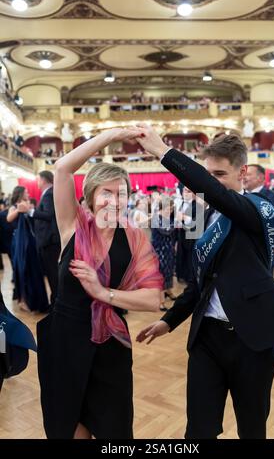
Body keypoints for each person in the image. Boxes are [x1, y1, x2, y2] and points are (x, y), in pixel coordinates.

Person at [134, 126, 274, 439]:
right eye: (207, 174)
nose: (211, 183)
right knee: (198, 429)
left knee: (252, 429)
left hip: (252, 338)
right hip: (207, 339)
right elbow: (201, 283)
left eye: (219, 174)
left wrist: (162, 152)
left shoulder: (255, 210)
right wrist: (169, 321)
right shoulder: (202, 216)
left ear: (244, 172)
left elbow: (219, 195)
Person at [37, 127, 163, 439]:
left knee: (114, 430)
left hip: (110, 346)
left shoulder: (135, 240)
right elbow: (63, 168)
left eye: (122, 193)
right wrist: (112, 135)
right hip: (64, 341)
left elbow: (152, 300)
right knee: (68, 426)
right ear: (91, 195)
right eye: (106, 192)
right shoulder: (72, 225)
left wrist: (101, 292)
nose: (115, 200)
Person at [243, 164, 274, 368]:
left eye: (250, 174)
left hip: (263, 259)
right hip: (243, 258)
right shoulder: (239, 195)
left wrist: (259, 207)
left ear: (261, 178)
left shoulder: (269, 195)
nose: (245, 177)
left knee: (268, 303)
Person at [7, 186, 49, 313]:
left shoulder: (30, 204)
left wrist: (29, 209)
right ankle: (23, 300)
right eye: (26, 192)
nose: (28, 193)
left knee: (35, 271)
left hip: (32, 242)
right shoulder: (14, 206)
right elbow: (9, 218)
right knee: (22, 270)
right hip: (20, 244)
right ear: (20, 193)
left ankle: (37, 301)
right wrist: (19, 210)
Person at [30, 171, 60, 306]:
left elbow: (48, 215)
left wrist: (30, 211)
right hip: (49, 240)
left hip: (49, 241)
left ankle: (56, 305)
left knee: (53, 275)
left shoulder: (49, 193)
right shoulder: (49, 193)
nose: (37, 182)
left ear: (43, 180)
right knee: (52, 274)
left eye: (38, 179)